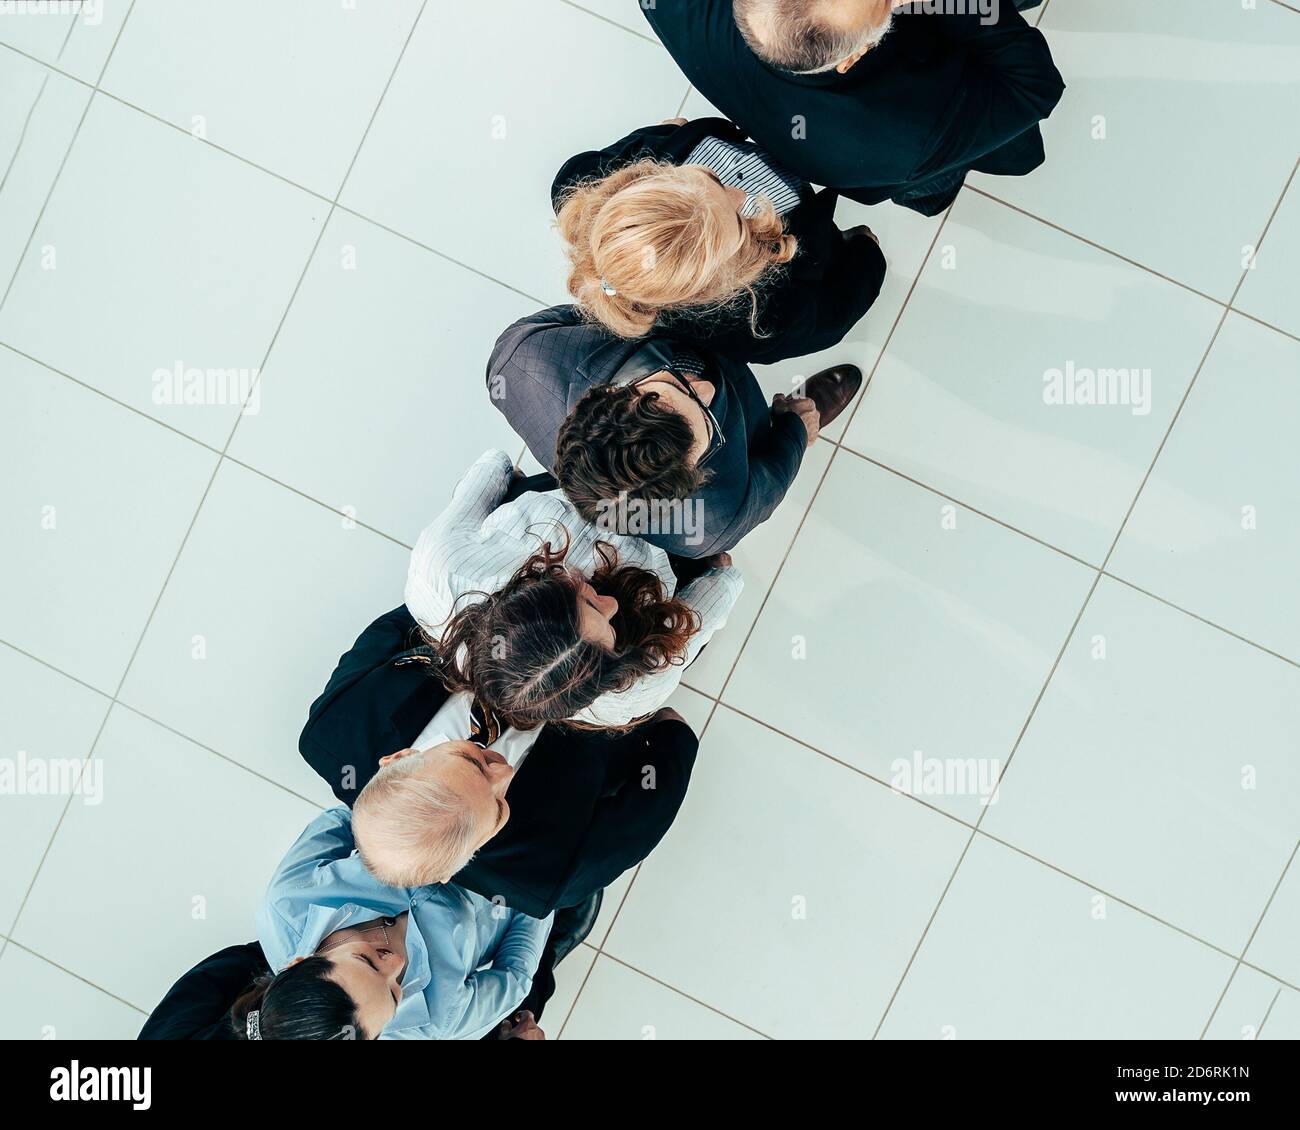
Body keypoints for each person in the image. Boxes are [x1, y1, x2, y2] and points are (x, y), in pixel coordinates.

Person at [404, 449, 742, 728]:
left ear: (533, 587)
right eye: (610, 633)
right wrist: (712, 566)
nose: (611, 605)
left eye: (589, 602)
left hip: (579, 479)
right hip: (662, 532)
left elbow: (496, 465)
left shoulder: (440, 570)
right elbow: (718, 587)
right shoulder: (637, 686)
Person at [488, 307, 860, 558]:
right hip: (746, 412)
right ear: (694, 476)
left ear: (611, 392)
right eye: (706, 423)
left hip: (663, 319)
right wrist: (795, 426)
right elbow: (772, 476)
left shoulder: (518, 362)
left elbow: (588, 308)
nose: (708, 391)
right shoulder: (716, 518)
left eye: (677, 391)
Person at [641, 0, 1063, 216]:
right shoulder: (906, 137)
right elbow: (1032, 89)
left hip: (813, 138)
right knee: (942, 173)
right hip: (887, 150)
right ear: (855, 56)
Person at [553, 114, 886, 365]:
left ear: (644, 176)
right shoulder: (757, 325)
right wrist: (865, 254)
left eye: (709, 178)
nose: (740, 195)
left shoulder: (581, 185)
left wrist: (669, 132)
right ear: (720, 282)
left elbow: (575, 173)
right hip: (808, 205)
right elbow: (832, 318)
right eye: (739, 223)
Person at [232, 806, 552, 1040]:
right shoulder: (438, 1023)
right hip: (519, 867)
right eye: (395, 995)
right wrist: (538, 887)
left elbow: (344, 818)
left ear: (300, 962)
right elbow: (515, 974)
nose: (397, 964)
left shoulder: (288, 902)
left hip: (443, 806)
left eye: (367, 960)